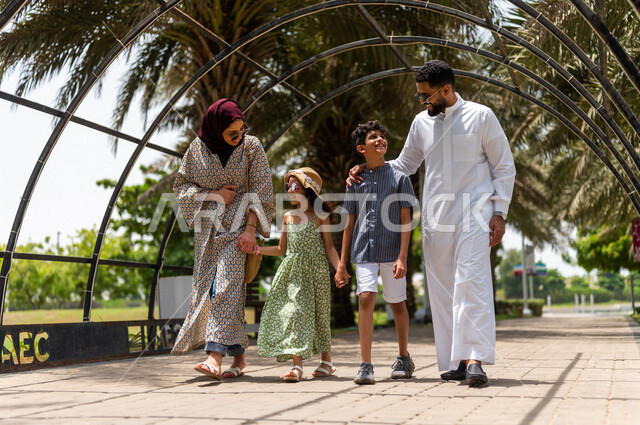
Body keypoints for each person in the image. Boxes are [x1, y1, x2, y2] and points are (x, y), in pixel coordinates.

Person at [348, 60, 516, 386]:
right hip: (436, 219)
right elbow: (404, 165)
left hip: (474, 214)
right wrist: (365, 168)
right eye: (419, 96)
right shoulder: (420, 124)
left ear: (446, 90)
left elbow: (503, 166)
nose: (422, 102)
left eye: (426, 96)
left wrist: (499, 212)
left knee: (472, 282)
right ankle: (456, 361)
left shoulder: (481, 116)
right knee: (442, 290)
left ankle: (475, 360)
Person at [171, 98, 274, 381]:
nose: (239, 137)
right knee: (224, 291)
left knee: (225, 286)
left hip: (239, 230)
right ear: (216, 130)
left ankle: (213, 356)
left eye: (242, 130)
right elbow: (181, 188)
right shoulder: (196, 150)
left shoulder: (251, 147)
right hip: (207, 232)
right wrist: (212, 194)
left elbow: (262, 190)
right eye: (232, 134)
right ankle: (239, 357)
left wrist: (251, 229)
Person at [336, 120, 417, 385]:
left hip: (393, 252)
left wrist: (403, 257)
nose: (380, 139)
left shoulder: (400, 178)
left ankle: (404, 357)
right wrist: (341, 264)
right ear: (362, 148)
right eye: (373, 137)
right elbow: (348, 225)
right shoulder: (354, 182)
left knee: (397, 303)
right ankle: (365, 364)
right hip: (364, 251)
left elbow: (406, 220)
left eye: (382, 136)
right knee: (366, 299)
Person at [255, 167, 340, 382]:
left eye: (294, 186)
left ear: (307, 189)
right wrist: (257, 250)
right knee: (293, 312)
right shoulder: (287, 217)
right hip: (293, 272)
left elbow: (329, 247)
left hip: (317, 270)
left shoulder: (321, 217)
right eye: (287, 186)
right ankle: (297, 366)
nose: (289, 190)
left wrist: (340, 268)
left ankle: (326, 362)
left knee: (320, 314)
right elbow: (281, 249)